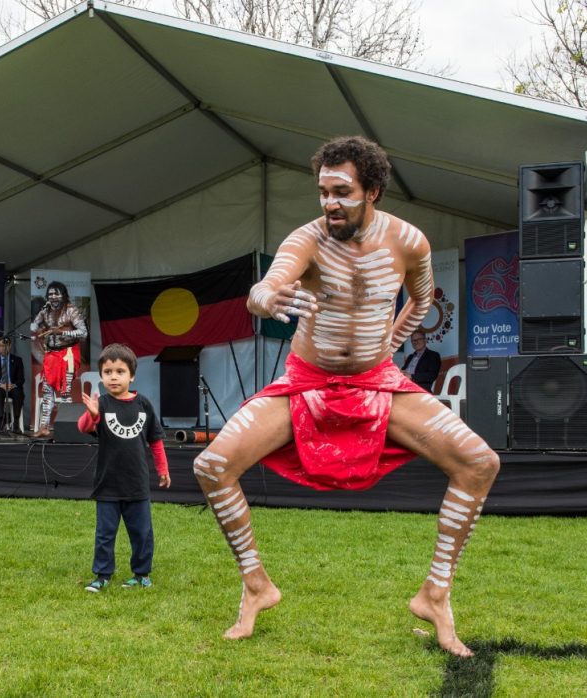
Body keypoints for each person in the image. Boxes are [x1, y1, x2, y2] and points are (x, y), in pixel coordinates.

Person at [193, 136, 500, 657]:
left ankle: (436, 593)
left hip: (378, 381)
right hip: (307, 383)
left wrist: (388, 345)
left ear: (373, 191)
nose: (329, 203)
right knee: (211, 465)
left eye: (342, 192)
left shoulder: (410, 243)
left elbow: (423, 302)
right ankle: (256, 584)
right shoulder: (308, 240)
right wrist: (265, 300)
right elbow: (264, 287)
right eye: (323, 192)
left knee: (479, 462)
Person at [77, 343, 170, 592]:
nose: (113, 377)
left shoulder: (144, 405)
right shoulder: (102, 403)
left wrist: (163, 469)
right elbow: (84, 427)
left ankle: (141, 575)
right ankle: (102, 575)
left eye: (120, 371)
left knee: (142, 533)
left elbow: (156, 440)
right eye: (108, 372)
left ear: (132, 375)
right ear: (102, 376)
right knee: (105, 534)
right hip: (107, 484)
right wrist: (93, 414)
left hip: (137, 484)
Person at [30, 281, 87, 439]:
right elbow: (33, 328)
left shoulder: (71, 310)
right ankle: (44, 427)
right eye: (50, 294)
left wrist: (63, 333)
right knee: (47, 391)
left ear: (63, 294)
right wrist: (39, 325)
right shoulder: (45, 311)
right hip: (51, 356)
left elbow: (83, 333)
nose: (53, 297)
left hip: (67, 354)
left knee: (65, 392)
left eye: (56, 294)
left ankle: (65, 428)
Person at [0, 335, 25, 432]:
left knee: (18, 393)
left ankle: (16, 422)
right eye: (0, 346)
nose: (2, 348)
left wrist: (13, 385)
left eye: (5, 345)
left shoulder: (17, 360)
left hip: (12, 387)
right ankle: (0, 422)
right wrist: (1, 385)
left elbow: (21, 379)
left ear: (9, 346)